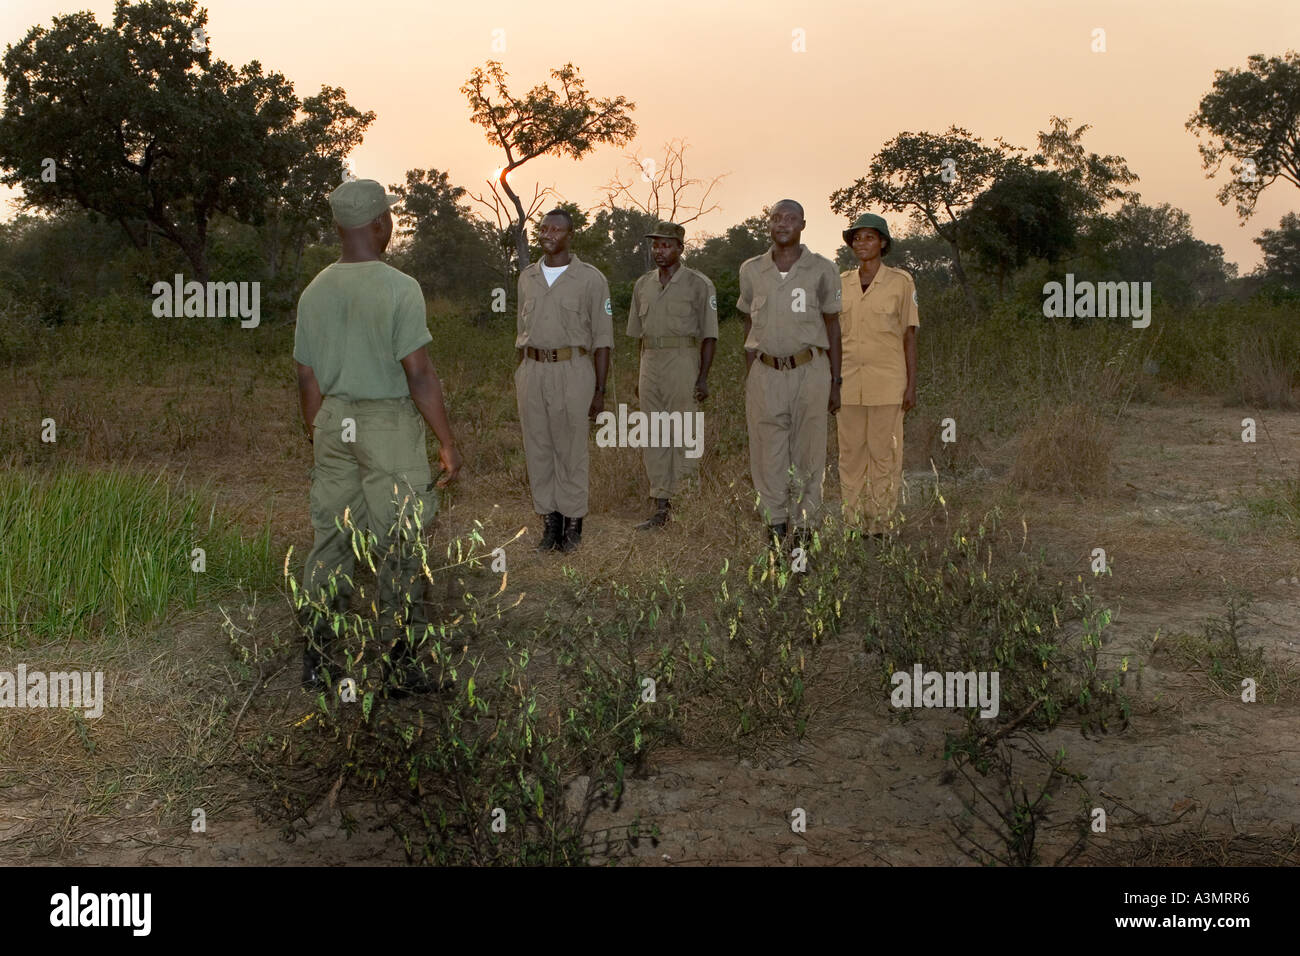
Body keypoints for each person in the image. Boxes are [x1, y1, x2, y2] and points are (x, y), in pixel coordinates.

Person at [294, 178, 462, 692]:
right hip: (386, 423)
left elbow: (307, 377)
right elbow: (419, 374)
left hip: (332, 421)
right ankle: (403, 664)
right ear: (378, 224)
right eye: (388, 216)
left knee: (332, 539)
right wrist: (448, 442)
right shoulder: (399, 287)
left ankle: (320, 659)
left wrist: (320, 434)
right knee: (402, 540)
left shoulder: (315, 289)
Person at [736, 200, 842, 548]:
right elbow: (750, 323)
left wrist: (835, 382)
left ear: (803, 224)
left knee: (809, 453)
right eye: (776, 217)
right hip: (765, 373)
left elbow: (833, 325)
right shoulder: (751, 270)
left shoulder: (822, 269)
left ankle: (805, 534)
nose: (782, 223)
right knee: (767, 455)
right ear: (769, 224)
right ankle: (776, 532)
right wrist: (752, 376)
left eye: (790, 218)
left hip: (810, 370)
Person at [515, 208, 613, 552]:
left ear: (570, 235)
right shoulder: (527, 277)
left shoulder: (590, 279)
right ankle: (550, 522)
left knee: (570, 449)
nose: (548, 234)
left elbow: (602, 340)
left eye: (557, 229)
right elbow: (521, 332)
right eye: (544, 228)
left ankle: (573, 524)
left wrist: (600, 392)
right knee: (538, 448)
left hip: (574, 370)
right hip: (533, 369)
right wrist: (520, 375)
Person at [627, 221, 718, 529]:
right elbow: (639, 336)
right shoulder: (643, 285)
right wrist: (639, 376)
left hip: (683, 360)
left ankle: (688, 505)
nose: (659, 251)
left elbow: (709, 336)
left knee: (684, 432)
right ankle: (661, 506)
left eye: (666, 245)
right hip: (650, 362)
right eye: (655, 245)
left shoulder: (698, 284)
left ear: (680, 247)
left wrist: (702, 377)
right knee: (654, 433)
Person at [837, 213, 919, 536]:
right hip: (847, 384)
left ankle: (881, 526)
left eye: (869, 237)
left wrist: (911, 385)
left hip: (888, 383)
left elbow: (909, 336)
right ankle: (853, 525)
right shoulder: (840, 283)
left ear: (882, 243)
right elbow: (832, 336)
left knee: (884, 454)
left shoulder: (901, 282)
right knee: (851, 456)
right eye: (857, 238)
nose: (862, 243)